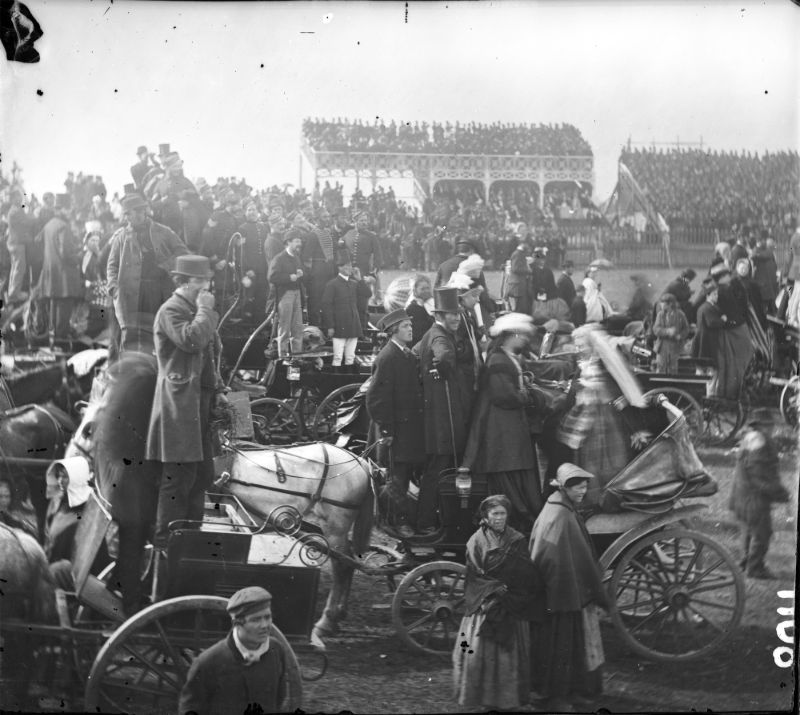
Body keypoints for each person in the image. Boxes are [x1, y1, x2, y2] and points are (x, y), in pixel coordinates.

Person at [145, 255, 226, 592]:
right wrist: (207, 310)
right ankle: (164, 556)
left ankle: (189, 548)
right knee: (177, 481)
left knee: (200, 477)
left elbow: (209, 354)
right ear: (186, 282)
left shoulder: (194, 310)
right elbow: (192, 340)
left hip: (198, 409)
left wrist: (219, 390)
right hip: (178, 409)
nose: (208, 288)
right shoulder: (171, 310)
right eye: (202, 283)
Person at [529, 464, 608, 713]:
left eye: (585, 486)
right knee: (559, 648)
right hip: (560, 595)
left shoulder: (559, 508)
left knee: (569, 646)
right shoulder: (560, 516)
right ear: (564, 488)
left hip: (562, 592)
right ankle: (556, 697)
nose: (582, 491)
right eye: (577, 487)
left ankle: (571, 692)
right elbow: (558, 557)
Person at [453, 494, 543, 711]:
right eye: (495, 514)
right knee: (483, 654)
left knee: (509, 656)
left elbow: (527, 572)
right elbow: (474, 576)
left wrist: (514, 589)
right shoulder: (476, 541)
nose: (499, 518)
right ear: (486, 515)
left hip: (513, 603)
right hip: (487, 606)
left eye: (503, 513)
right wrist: (494, 589)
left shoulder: (517, 539)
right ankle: (485, 698)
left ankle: (509, 699)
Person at [461, 313, 544, 531]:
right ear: (512, 335)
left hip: (508, 430)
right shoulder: (499, 359)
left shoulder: (505, 356)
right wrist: (528, 395)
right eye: (522, 335)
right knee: (512, 480)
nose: (525, 340)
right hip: (501, 431)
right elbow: (504, 395)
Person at [414, 287, 473, 532]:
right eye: (452, 315)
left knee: (436, 469)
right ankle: (425, 522)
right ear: (440, 315)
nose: (457, 319)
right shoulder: (439, 335)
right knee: (438, 469)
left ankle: (430, 517)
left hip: (437, 417)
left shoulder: (433, 332)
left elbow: (417, 352)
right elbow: (443, 355)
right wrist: (444, 365)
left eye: (458, 314)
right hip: (442, 420)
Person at [179, 586, 289, 715]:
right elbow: (190, 709)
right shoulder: (208, 662)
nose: (265, 625)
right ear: (237, 623)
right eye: (256, 619)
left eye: (267, 617)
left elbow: (280, 699)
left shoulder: (276, 650)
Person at [366, 309, 426, 537]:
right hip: (394, 431)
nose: (410, 329)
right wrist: (387, 430)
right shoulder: (388, 357)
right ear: (393, 331)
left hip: (408, 430)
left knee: (404, 472)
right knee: (396, 477)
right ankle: (397, 522)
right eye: (405, 326)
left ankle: (402, 517)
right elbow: (375, 398)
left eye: (410, 325)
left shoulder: (407, 355)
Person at [106, 193, 188, 354]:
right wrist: (114, 288)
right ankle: (129, 371)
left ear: (144, 211)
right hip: (129, 294)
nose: (132, 217)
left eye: (136, 212)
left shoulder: (163, 232)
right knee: (129, 335)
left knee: (157, 330)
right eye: (128, 213)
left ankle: (154, 370)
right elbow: (112, 265)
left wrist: (165, 266)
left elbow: (182, 251)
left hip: (157, 291)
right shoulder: (121, 237)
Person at [728, 409, 790, 579]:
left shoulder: (749, 437)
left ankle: (745, 562)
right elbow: (758, 474)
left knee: (749, 531)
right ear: (761, 425)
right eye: (769, 425)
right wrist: (778, 492)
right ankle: (755, 568)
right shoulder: (760, 441)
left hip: (742, 494)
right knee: (762, 533)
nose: (772, 428)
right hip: (754, 497)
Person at [37, 193, 84, 345]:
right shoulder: (64, 226)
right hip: (64, 276)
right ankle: (61, 343)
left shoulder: (49, 224)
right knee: (64, 311)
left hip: (52, 275)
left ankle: (54, 342)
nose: (71, 212)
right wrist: (79, 256)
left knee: (55, 308)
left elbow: (38, 242)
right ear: (63, 209)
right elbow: (66, 253)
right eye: (69, 208)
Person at [320, 246, 371, 370]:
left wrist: (360, 280)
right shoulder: (332, 284)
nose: (350, 268)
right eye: (347, 266)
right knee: (337, 357)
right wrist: (330, 326)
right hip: (339, 325)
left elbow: (367, 294)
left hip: (353, 325)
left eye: (350, 265)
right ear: (340, 267)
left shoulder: (354, 283)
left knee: (350, 357)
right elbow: (326, 306)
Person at [267, 228, 305, 357]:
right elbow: (272, 277)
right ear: (288, 242)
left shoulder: (297, 258)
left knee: (297, 328)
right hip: (285, 295)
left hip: (297, 294)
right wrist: (289, 277)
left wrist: (301, 274)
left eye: (299, 241)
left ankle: (297, 356)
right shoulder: (279, 258)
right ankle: (282, 356)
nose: (299, 244)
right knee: (284, 328)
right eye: (296, 241)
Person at [235, 200, 270, 324]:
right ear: (245, 212)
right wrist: (247, 269)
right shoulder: (242, 228)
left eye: (254, 209)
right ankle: (247, 323)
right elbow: (240, 251)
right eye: (249, 210)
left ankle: (259, 323)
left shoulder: (263, 227)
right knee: (248, 295)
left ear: (258, 212)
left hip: (262, 268)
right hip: (248, 269)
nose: (252, 212)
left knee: (261, 295)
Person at [6, 187, 35, 303]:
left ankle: (12, 292)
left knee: (15, 269)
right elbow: (29, 220)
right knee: (19, 269)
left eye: (20, 196)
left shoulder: (17, 209)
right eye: (17, 196)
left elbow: (24, 208)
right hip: (17, 244)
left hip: (14, 243)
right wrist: (32, 213)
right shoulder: (15, 211)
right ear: (13, 198)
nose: (20, 198)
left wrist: (27, 204)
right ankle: (14, 295)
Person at [652, 293, 689, 375]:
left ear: (670, 304)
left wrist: (680, 336)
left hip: (674, 346)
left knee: (673, 369)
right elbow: (655, 330)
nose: (661, 305)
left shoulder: (680, 315)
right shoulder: (660, 315)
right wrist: (667, 331)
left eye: (663, 303)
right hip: (662, 347)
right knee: (660, 368)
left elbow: (686, 329)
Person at [341, 210, 383, 281]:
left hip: (364, 273)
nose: (364, 223)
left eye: (365, 220)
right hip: (349, 272)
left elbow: (378, 257)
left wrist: (372, 275)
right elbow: (341, 250)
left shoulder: (372, 236)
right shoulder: (348, 234)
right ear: (355, 222)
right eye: (362, 220)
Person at [504, 238, 532, 313]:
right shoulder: (518, 254)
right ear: (522, 244)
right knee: (519, 309)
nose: (528, 247)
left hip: (519, 285)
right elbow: (515, 268)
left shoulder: (520, 253)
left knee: (520, 308)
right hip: (517, 286)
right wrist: (528, 271)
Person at [405, 274, 434, 346]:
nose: (426, 291)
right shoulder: (412, 308)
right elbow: (418, 332)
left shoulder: (432, 303)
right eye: (422, 289)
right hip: (418, 344)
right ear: (415, 290)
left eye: (428, 288)